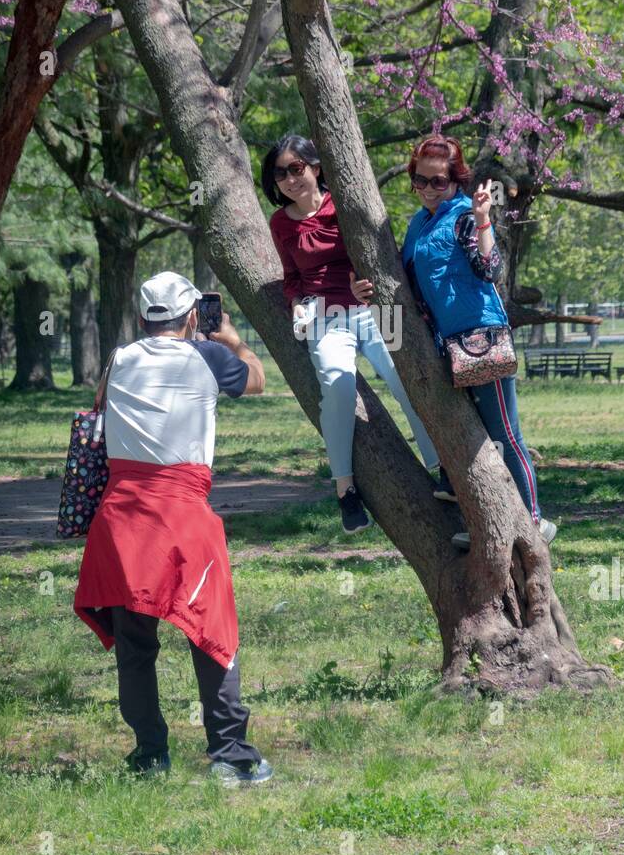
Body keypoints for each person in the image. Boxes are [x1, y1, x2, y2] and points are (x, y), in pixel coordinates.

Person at [73, 271, 274, 785]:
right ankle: (230, 753)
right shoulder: (209, 356)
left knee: (135, 646)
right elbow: (258, 379)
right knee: (212, 635)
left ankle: (150, 755)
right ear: (191, 317)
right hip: (184, 518)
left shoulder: (118, 358)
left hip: (121, 519)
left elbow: (101, 405)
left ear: (142, 320)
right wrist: (231, 339)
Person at [263, 134, 441, 533]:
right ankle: (346, 490)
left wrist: (366, 282)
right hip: (325, 318)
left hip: (376, 311)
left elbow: (379, 256)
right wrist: (295, 301)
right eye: (281, 173)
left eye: (297, 169)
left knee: (405, 379)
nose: (290, 179)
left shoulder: (342, 206)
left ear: (316, 168)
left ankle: (440, 467)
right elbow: (292, 276)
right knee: (338, 389)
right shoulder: (280, 223)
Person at [399, 136, 557, 548]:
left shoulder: (464, 217)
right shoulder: (417, 225)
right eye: (421, 180)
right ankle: (487, 523)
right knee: (467, 439)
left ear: (457, 181)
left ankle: (534, 521)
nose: (430, 189)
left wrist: (483, 217)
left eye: (440, 181)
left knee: (504, 433)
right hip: (441, 346)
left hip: (480, 339)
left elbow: (489, 268)